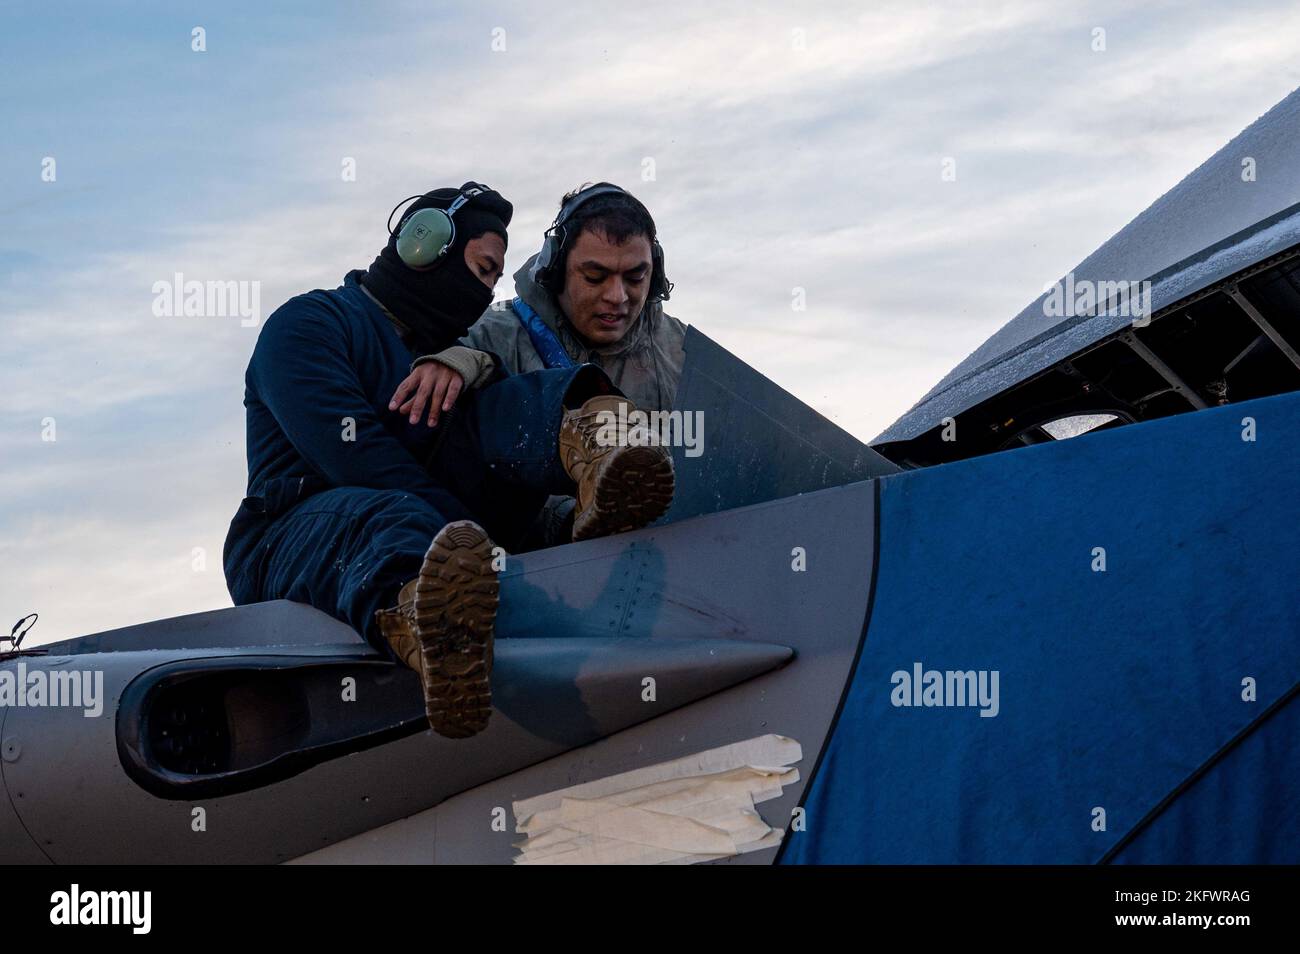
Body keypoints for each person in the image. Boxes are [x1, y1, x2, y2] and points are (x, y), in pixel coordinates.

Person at [222, 182, 674, 740]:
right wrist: (484, 540)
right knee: (388, 515)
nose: (484, 294)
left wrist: (543, 518)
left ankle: (598, 449)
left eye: (493, 280)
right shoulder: (312, 323)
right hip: (289, 532)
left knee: (504, 409)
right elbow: (356, 458)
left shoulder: (440, 354)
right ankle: (431, 623)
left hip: (420, 517)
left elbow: (485, 446)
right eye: (481, 270)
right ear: (423, 247)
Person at [390, 183, 685, 545]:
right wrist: (456, 360)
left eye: (635, 277)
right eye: (595, 277)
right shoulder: (489, 338)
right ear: (555, 269)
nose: (617, 297)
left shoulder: (682, 352)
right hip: (534, 559)